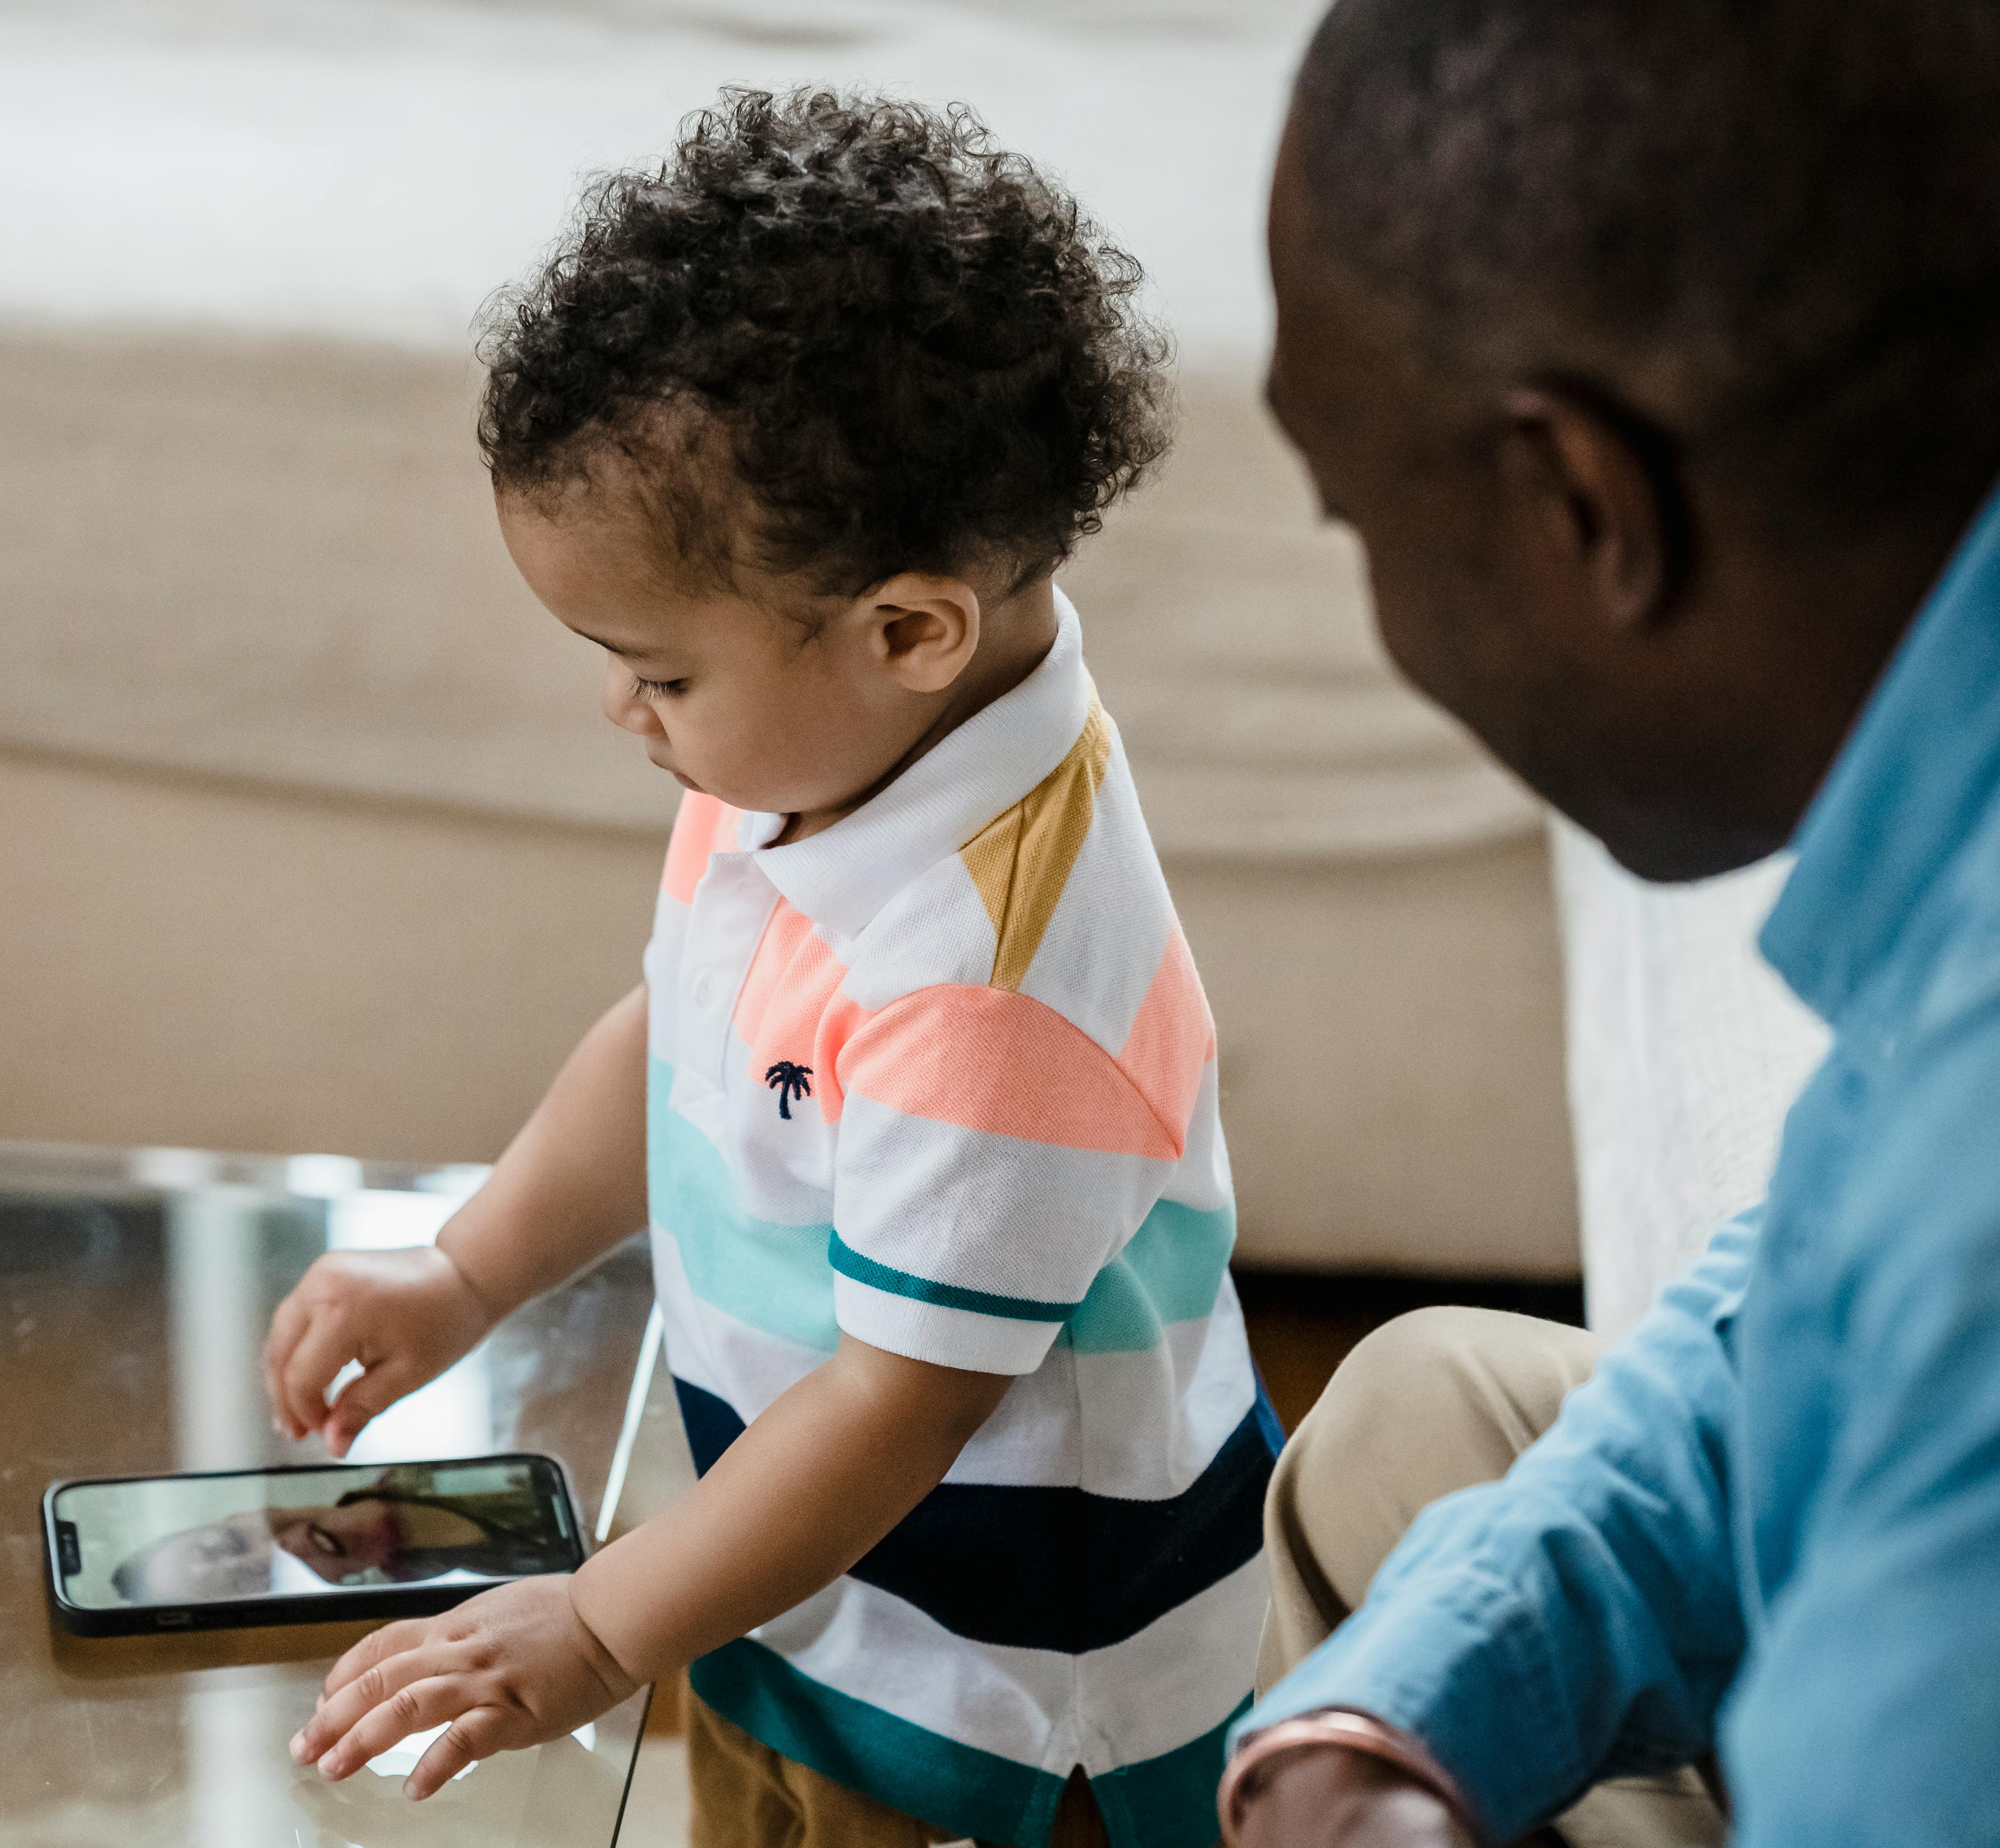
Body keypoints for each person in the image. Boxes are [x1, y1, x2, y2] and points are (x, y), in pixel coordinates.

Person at [1220, 2, 2000, 1845]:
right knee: (1411, 1439)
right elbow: (1845, 1241)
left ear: (1586, 502)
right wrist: (1416, 1714)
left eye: (1357, 515)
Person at [266, 89, 1274, 1848]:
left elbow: (899, 1401)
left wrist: (596, 1620)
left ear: (907, 627)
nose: (620, 711)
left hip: (1007, 1690)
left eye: (656, 671)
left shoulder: (991, 993)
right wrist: (463, 1269)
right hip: (790, 1582)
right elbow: (683, 1033)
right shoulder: (818, 760)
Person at [110, 1466, 567, 1603]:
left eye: (234, 1543)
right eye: (249, 1581)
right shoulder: (434, 1604)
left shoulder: (419, 1456)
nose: (273, 1553)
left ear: (245, 1514)